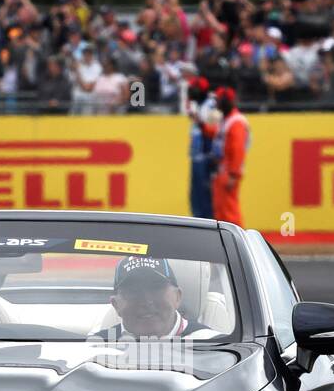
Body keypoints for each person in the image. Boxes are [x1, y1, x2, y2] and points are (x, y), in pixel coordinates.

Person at [89, 256, 216, 340]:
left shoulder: (213, 347)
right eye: (133, 291)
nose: (146, 300)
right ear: (116, 305)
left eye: (156, 288)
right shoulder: (95, 350)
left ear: (177, 297)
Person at [211, 86, 249, 225]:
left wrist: (233, 174)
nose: (217, 103)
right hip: (223, 170)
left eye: (219, 100)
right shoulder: (227, 120)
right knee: (221, 210)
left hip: (229, 172)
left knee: (229, 212)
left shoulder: (236, 121)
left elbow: (238, 149)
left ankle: (236, 243)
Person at [186, 77, 218, 219]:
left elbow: (213, 130)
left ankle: (208, 222)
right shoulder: (198, 105)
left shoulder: (211, 105)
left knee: (205, 194)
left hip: (206, 156)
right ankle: (198, 220)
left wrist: (198, 120)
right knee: (195, 195)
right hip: (197, 154)